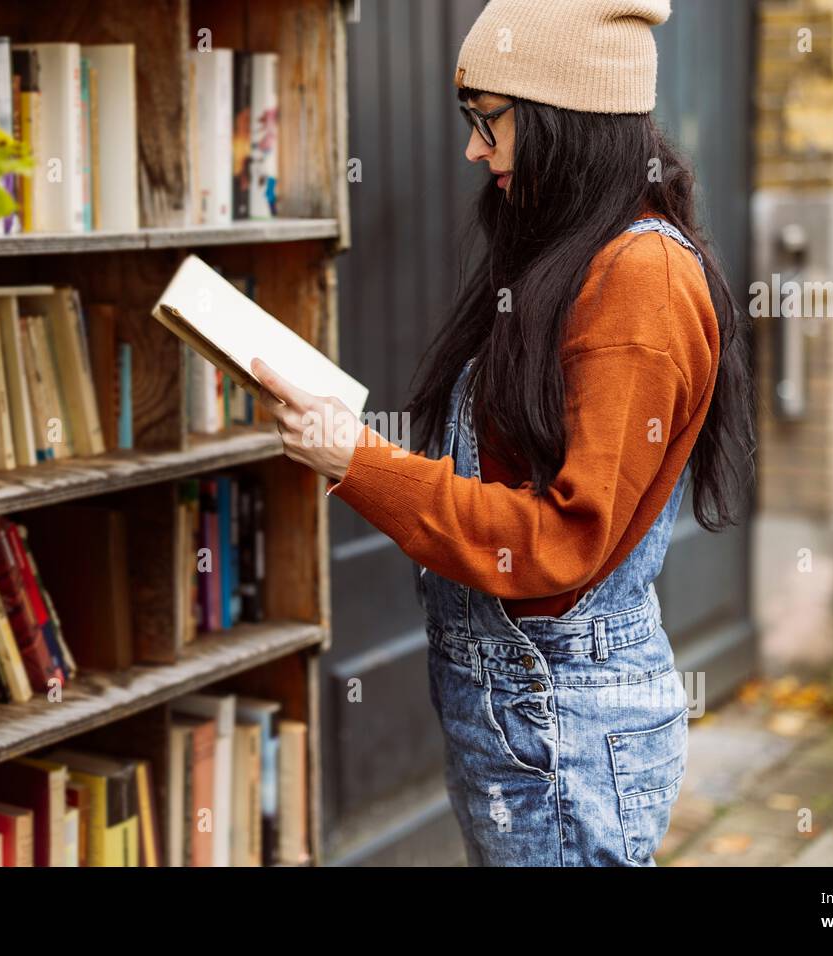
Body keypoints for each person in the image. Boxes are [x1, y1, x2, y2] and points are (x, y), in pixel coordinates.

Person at [251, 0, 755, 866]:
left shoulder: (639, 277)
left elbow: (561, 543)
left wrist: (359, 462)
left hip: (563, 733)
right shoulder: (578, 255)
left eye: (490, 121)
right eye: (468, 120)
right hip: (526, 722)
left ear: (567, 121)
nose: (473, 150)